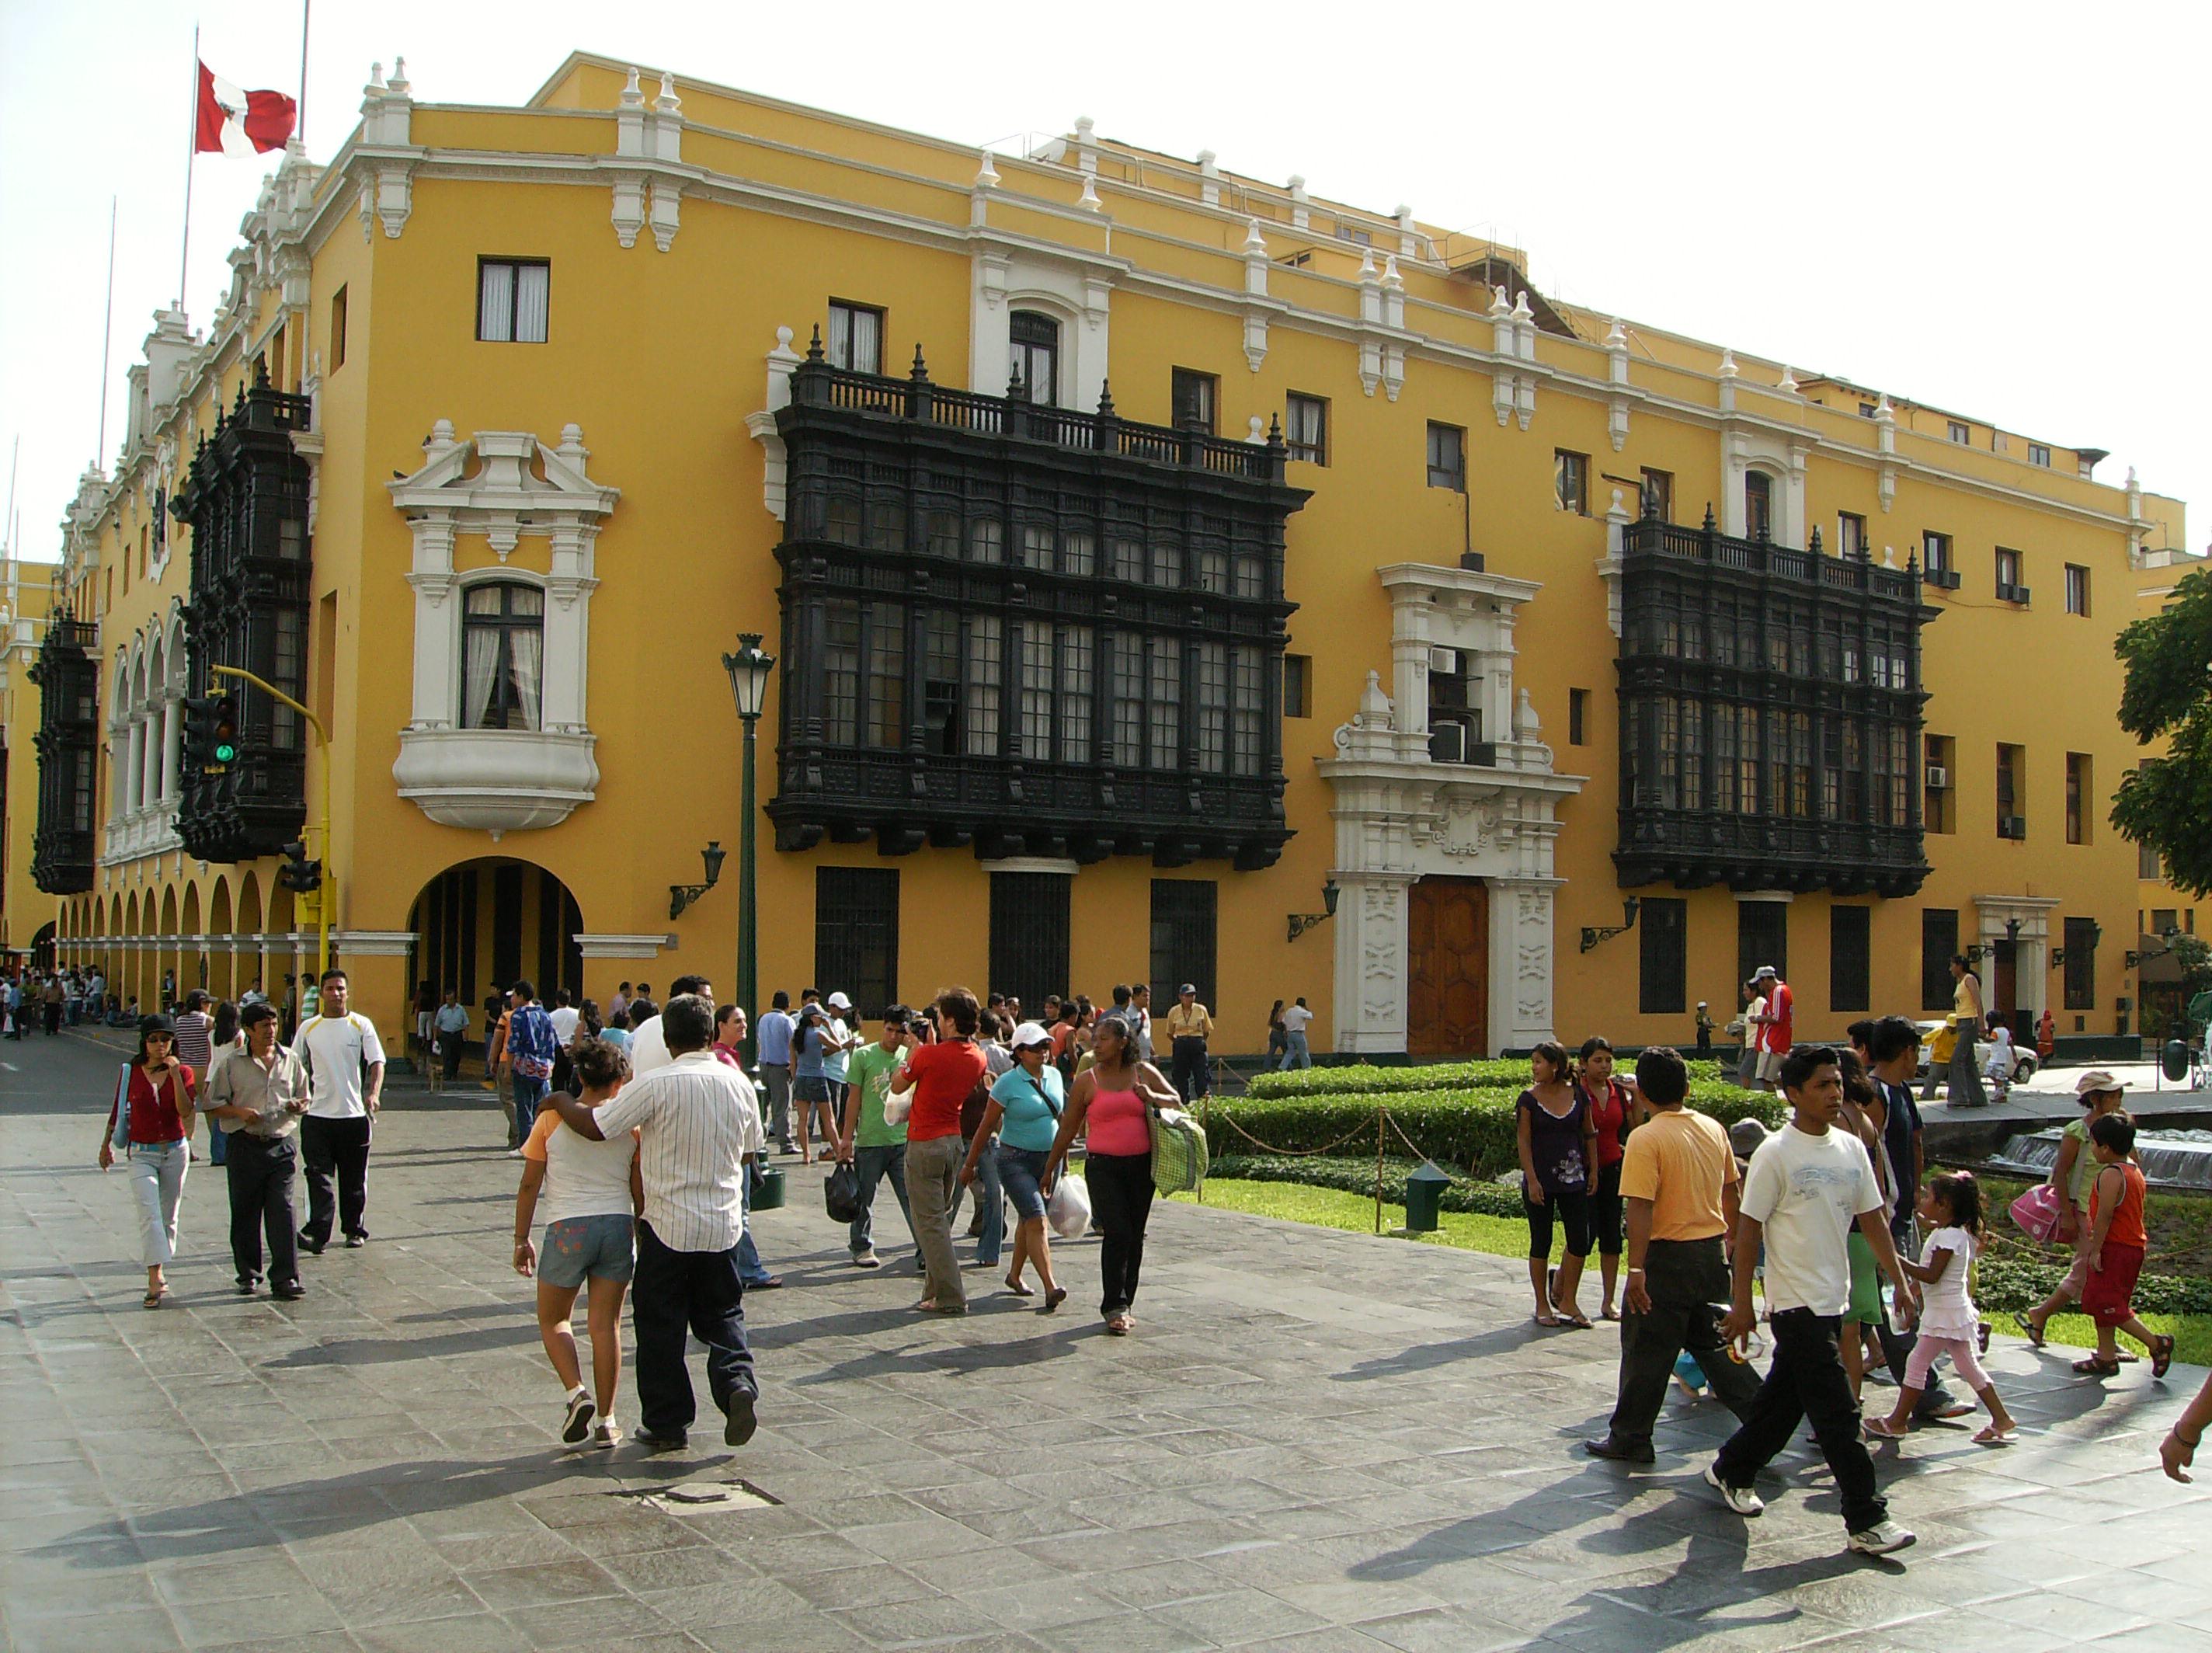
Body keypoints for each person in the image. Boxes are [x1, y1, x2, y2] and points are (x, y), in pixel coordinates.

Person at [1706, 1046, 1921, 1557]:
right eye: (1823, 1085)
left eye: (1837, 1084)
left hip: (1834, 1299)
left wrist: (1900, 1281)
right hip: (1794, 1303)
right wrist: (1743, 1306)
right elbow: (1749, 1233)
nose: (1834, 1093)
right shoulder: (1775, 1154)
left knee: (1782, 1406)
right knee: (1838, 1415)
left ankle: (1731, 1467)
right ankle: (1866, 1518)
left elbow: (1873, 1220)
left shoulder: (1849, 1150)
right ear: (1793, 1093)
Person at [544, 994, 764, 1451]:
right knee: (723, 1315)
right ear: (710, 1035)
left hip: (666, 1223)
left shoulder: (656, 1084)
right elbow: (749, 1149)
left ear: (667, 1040)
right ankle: (737, 1384)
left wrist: (559, 1099)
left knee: (661, 1326)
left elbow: (597, 1125)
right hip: (723, 1225)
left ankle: (667, 1423)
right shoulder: (738, 1083)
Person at [1586, 1046, 1765, 1464]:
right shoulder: (1712, 1128)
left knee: (1646, 1348)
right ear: (1687, 1087)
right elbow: (1732, 1190)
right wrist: (1732, 1240)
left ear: (1641, 1094)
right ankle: (1764, 1419)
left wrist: (1636, 1268)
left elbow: (1641, 1207)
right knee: (1716, 1347)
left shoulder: (1646, 1139)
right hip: (1709, 1253)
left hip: (1666, 1258)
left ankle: (1631, 1436)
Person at [515, 1035, 642, 1450]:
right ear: (618, 1080)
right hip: (617, 1224)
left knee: (554, 1319)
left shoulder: (552, 1120)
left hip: (568, 1226)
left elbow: (530, 1184)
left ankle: (576, 1393)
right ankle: (608, 1420)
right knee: (607, 1325)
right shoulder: (630, 1124)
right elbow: (637, 1187)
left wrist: (521, 1238)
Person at [1865, 1015, 1971, 1421]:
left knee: (1898, 1307)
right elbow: (1867, 1154)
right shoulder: (1876, 1096)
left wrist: (1919, 1198)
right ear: (1906, 1051)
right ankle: (1926, 1394)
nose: (1919, 1060)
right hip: (1882, 1218)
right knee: (1896, 1310)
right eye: (1917, 1052)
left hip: (1902, 1216)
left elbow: (1915, 1142)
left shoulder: (1902, 1092)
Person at [1044, 1013, 1177, 1334]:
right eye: (1095, 1039)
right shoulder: (1086, 1081)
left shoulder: (1142, 1072)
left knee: (1134, 1235)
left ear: (1123, 1042)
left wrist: (1153, 1097)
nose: (1096, 1045)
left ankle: (1126, 1301)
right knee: (1117, 1231)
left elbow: (1176, 1100)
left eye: (1103, 1039)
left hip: (1142, 1166)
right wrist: (1051, 1167)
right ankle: (1113, 1305)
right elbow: (1069, 1127)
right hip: (1103, 1166)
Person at [1863, 1172, 2016, 1446]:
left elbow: (1932, 1275)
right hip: (1951, 1312)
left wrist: (1893, 1258)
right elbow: (1938, 1279)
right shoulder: (1955, 1233)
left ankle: (1897, 1422)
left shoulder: (1948, 1237)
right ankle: (2001, 1418)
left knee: (1917, 1362)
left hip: (1945, 1315)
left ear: (1944, 1205)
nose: (1923, 1200)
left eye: (1928, 1197)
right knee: (1968, 1366)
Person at [889, 987, 989, 1314]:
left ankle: (950, 1295)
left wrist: (916, 1049)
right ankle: (933, 1290)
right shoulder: (978, 1056)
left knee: (929, 1225)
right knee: (938, 1220)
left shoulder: (926, 1055)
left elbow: (897, 1085)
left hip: (923, 1141)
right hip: (952, 1141)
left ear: (948, 1020)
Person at [202, 1000, 311, 1300]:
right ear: (248, 1030)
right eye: (264, 1026)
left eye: (274, 1025)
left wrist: (299, 1105)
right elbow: (212, 1104)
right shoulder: (233, 1064)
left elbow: (305, 1095)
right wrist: (238, 1112)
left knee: (283, 1210)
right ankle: (248, 1273)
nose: (271, 1031)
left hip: (281, 1144)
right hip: (245, 1144)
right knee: (245, 1211)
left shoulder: (290, 1059)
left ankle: (286, 1277)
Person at [2019, 1071, 2135, 1348]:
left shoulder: (2119, 1128)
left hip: (2111, 1210)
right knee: (2086, 1272)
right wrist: (2068, 1216)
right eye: (2112, 1095)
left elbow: (2131, 1162)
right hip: (2086, 1210)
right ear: (2095, 1099)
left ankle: (2100, 1340)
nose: (2118, 1099)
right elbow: (2061, 1172)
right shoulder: (2078, 1132)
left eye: (2120, 1094)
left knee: (2097, 1274)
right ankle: (2042, 1314)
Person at [963, 1021, 1068, 1308]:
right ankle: (1050, 1285)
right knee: (1036, 1219)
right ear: (1019, 1052)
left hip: (1049, 1161)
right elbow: (985, 1127)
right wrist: (970, 1164)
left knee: (1029, 1219)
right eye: (1035, 1048)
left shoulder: (1055, 1077)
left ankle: (1015, 1275)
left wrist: (1064, 1159)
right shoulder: (1007, 1083)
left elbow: (1061, 1120)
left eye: (1045, 1046)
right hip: (1014, 1159)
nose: (1042, 1052)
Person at [99, 1014, 200, 1309]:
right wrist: (106, 1145)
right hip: (141, 1152)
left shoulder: (184, 1072)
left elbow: (185, 1110)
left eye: (165, 1040)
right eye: (153, 1040)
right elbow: (118, 1109)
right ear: (144, 1042)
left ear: (172, 1043)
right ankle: (154, 1277)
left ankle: (160, 1266)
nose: (159, 1045)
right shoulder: (131, 1071)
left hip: (174, 1150)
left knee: (168, 1216)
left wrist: (176, 1075)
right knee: (149, 1213)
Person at [2074, 1112, 2176, 1381]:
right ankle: (2106, 1356)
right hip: (2130, 1247)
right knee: (2102, 1301)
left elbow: (2105, 1215)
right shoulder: (2133, 1170)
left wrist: (2095, 1250)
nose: (2093, 1149)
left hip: (2116, 1247)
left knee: (2106, 1302)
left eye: (2094, 1144)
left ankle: (2157, 1344)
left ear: (2106, 1147)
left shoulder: (2112, 1174)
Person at [292, 970, 387, 1254]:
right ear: (321, 993)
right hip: (317, 1116)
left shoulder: (360, 1025)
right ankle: (318, 1233)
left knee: (353, 1178)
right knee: (318, 1177)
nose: (336, 994)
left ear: (347, 992)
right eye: (331, 989)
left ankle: (354, 1229)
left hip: (353, 1117)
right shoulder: (309, 1028)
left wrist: (373, 1093)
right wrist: (297, 1097)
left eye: (341, 989)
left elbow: (377, 1061)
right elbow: (295, 1065)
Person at [1517, 1041, 1596, 1328]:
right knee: (1542, 1240)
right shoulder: (1528, 1099)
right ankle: (1541, 1302)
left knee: (1580, 1238)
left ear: (1555, 1065)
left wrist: (1594, 1171)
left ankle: (1568, 1298)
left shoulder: (1578, 1095)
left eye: (1539, 1061)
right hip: (1541, 1181)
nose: (1534, 1067)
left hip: (1574, 1178)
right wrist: (1532, 1179)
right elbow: (1524, 1140)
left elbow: (1589, 1134)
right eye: (1533, 1061)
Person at [839, 1007, 917, 1268]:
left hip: (902, 1139)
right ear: (883, 1027)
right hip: (870, 1140)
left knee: (912, 1199)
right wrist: (846, 1138)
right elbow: (854, 1099)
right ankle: (861, 1246)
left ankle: (924, 1249)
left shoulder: (912, 1056)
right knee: (864, 1197)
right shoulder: (863, 1056)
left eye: (900, 1031)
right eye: (890, 1030)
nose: (894, 1036)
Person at [711, 1005, 782, 1292]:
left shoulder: (727, 1057)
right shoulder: (722, 1059)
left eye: (744, 1021)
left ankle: (741, 1268)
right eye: (736, 1022)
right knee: (739, 1210)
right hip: (735, 1146)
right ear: (720, 1025)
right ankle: (749, 1269)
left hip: (735, 1145)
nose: (743, 1026)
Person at [1577, 1036, 1633, 1321]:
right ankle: (1562, 1286)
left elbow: (1633, 1129)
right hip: (1582, 1173)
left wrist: (1637, 1097)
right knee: (1584, 1235)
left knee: (1611, 1237)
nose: (1604, 1066)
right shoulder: (1576, 1093)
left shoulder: (1617, 1092)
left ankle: (1608, 1300)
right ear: (1583, 1064)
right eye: (1597, 1060)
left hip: (1612, 1169)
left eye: (1608, 1060)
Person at [504, 980, 561, 1157]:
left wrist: (508, 1067)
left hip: (524, 1066)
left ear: (521, 996)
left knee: (524, 1108)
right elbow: (552, 1042)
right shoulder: (544, 1014)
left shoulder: (519, 1015)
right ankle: (540, 1145)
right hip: (543, 1068)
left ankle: (526, 1146)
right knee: (539, 1108)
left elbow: (513, 1044)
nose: (512, 999)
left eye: (514, 995)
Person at [791, 1001, 840, 1164]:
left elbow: (793, 1063)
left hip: (801, 1078)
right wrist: (829, 1027)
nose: (822, 1020)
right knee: (829, 1119)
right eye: (820, 1017)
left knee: (802, 1120)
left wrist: (795, 1080)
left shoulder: (796, 1036)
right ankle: (839, 1152)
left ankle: (806, 1155)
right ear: (813, 1018)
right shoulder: (818, 1034)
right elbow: (838, 1046)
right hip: (817, 1078)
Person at [1943, 955, 1987, 1108]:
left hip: (1971, 1021)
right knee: (1968, 1061)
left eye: (1952, 965)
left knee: (1956, 1059)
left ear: (1959, 966)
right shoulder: (1959, 982)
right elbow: (1962, 1006)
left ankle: (1959, 1097)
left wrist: (1981, 1023)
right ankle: (1978, 1098)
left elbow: (1977, 1001)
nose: (1950, 969)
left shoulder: (1969, 979)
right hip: (1962, 1022)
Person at [757, 990, 797, 1153]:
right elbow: (793, 1045)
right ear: (788, 1005)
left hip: (763, 1065)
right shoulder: (787, 1021)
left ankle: (759, 1142)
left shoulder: (763, 1019)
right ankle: (785, 1143)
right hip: (781, 1067)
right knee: (781, 1108)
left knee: (762, 1107)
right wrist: (794, 1069)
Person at [1165, 983, 1212, 1104]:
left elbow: (1207, 1030)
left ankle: (1203, 1101)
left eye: (1193, 995)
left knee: (1201, 1075)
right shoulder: (1174, 1011)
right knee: (1180, 1076)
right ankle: (1183, 1101)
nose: (1190, 998)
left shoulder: (1201, 1009)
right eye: (1187, 995)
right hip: (1181, 1045)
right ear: (1181, 997)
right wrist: (1179, 1042)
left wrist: (1199, 1042)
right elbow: (1170, 1033)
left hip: (1197, 1044)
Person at [1748, 966, 1791, 1092]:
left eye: (1760, 982)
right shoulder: (1779, 991)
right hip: (1773, 1041)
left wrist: (1757, 1018)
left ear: (1766, 979)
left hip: (1774, 1041)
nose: (1759, 986)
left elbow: (1776, 1017)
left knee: (1768, 1078)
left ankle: (1797, 1091)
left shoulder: (1778, 991)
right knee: (1765, 1077)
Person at [434, 990, 470, 1091]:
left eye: (451, 999)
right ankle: (447, 1073)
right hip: (446, 1035)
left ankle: (454, 1072)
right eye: (447, 999)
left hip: (457, 1034)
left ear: (455, 999)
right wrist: (435, 1038)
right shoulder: (442, 1010)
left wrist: (466, 1036)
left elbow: (466, 1023)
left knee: (456, 1055)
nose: (449, 1001)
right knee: (446, 1054)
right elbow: (437, 1024)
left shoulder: (461, 1009)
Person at [1734, 980, 1764, 1090]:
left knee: (1744, 1072)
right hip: (1750, 1044)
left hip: (1756, 1044)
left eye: (1746, 990)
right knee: (1763, 1076)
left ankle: (1746, 1097)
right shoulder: (1751, 1006)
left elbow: (1763, 1020)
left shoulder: (1760, 1002)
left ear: (1754, 991)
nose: (1744, 993)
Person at [1984, 1017, 2016, 1105]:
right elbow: (2011, 1043)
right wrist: (2014, 1055)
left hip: (1995, 1058)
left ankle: (2001, 1090)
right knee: (1997, 1075)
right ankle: (2001, 1088)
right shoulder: (2006, 1031)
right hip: (2002, 1058)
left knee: (1991, 1074)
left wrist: (1983, 1037)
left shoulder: (1996, 1031)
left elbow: (1992, 1039)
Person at [1280, 997, 1315, 1071]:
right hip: (1299, 1033)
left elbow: (1284, 1021)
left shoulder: (1289, 1011)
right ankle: (1307, 1068)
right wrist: (1306, 1009)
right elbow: (1311, 1016)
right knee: (1303, 1052)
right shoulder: (1301, 1011)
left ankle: (1282, 1067)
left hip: (1290, 1034)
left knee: (1290, 1052)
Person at [1128, 983, 1154, 1062]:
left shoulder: (1145, 1011)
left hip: (1146, 1055)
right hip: (1134, 1057)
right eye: (1144, 996)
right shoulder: (1129, 1013)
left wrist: (1152, 1051)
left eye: (1148, 996)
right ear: (1135, 997)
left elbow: (1146, 1032)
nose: (1147, 999)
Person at [1264, 1000, 1288, 1068]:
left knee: (1271, 1052)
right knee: (1286, 1050)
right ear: (1280, 1006)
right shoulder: (1281, 1013)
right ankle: (1287, 1066)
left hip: (1273, 1033)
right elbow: (1284, 1023)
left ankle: (1266, 1066)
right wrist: (1286, 1033)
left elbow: (1270, 1024)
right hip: (1279, 1034)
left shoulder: (1273, 1013)